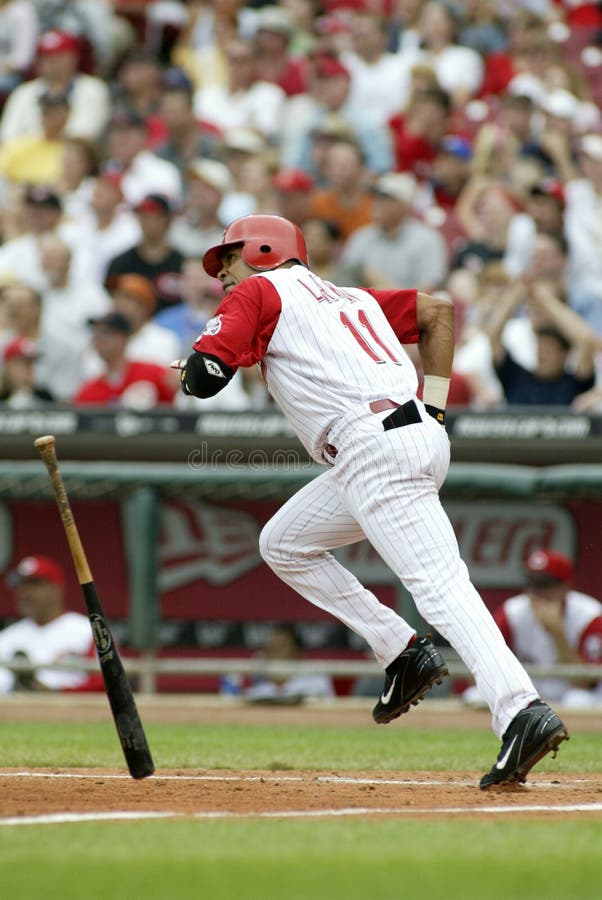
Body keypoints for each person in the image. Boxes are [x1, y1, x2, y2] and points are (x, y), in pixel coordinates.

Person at [172, 212, 568, 789]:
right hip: (402, 436)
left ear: (260, 249)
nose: (222, 277)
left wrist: (192, 370)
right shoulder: (348, 297)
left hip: (371, 446)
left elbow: (205, 378)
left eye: (226, 260)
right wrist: (432, 409)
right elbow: (438, 312)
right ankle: (400, 649)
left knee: (440, 585)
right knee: (283, 543)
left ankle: (520, 709)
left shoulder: (262, 287)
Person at [463, 550, 602, 710]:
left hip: (574, 691)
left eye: (544, 584)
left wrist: (557, 634)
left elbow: (585, 683)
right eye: (532, 583)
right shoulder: (512, 612)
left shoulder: (590, 615)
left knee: (578, 701)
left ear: (565, 586)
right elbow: (478, 672)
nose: (536, 592)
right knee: (475, 695)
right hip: (530, 688)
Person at [0, 555, 102, 693]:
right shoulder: (6, 637)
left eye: (34, 584)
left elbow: (107, 683)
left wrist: (54, 692)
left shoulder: (88, 631)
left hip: (68, 711)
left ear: (56, 588)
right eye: (20, 585)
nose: (24, 592)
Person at [235, 624, 335, 703]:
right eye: (270, 647)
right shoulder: (256, 687)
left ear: (297, 653)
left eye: (281, 647)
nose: (274, 652)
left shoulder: (315, 681)